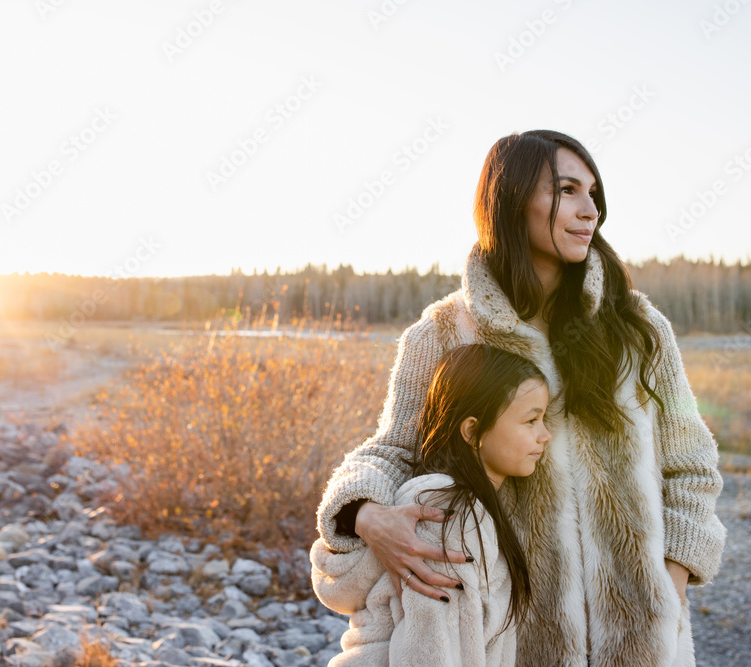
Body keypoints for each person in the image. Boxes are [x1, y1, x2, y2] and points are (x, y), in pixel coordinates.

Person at [315, 130, 727, 666]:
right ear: (511, 199)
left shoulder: (638, 328)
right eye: (568, 191)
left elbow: (692, 467)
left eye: (594, 194)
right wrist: (364, 514)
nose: (590, 212)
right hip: (510, 642)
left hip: (644, 647)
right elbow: (393, 451)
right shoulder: (444, 333)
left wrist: (668, 593)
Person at [311, 344, 552, 666]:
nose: (546, 435)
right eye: (531, 420)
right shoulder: (445, 511)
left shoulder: (463, 503)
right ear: (472, 431)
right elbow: (429, 650)